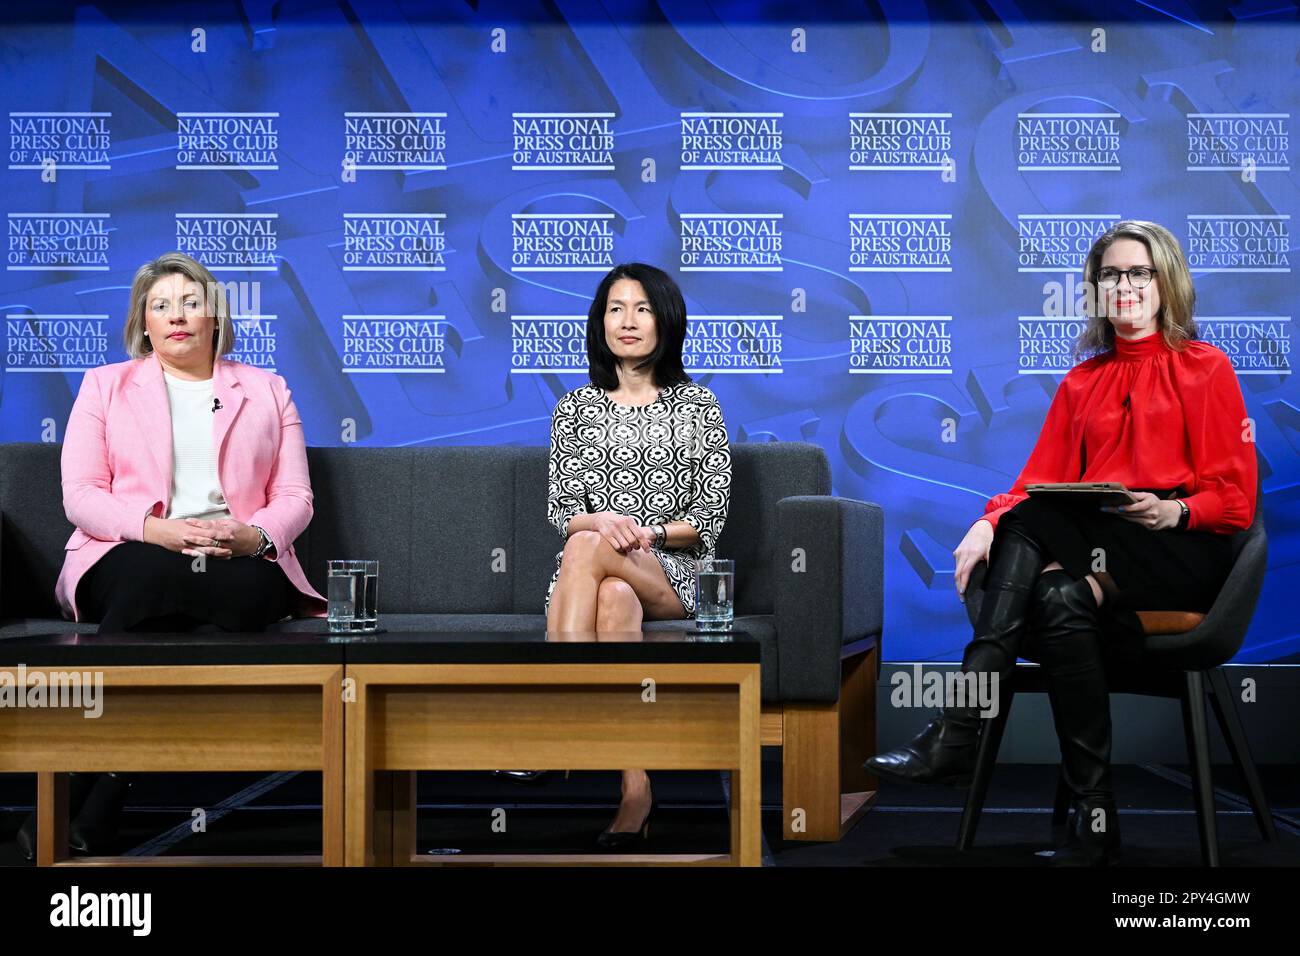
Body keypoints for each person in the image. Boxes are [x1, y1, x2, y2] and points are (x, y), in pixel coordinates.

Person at [866, 221, 1257, 866]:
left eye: (1139, 273)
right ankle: (1094, 822)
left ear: (1166, 283)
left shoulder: (1205, 368)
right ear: (1096, 290)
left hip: (1183, 550)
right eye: (1111, 275)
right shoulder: (1083, 382)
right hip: (1101, 557)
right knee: (1055, 594)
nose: (1124, 286)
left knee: (1039, 526)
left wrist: (1174, 508)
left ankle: (959, 725)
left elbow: (1236, 500)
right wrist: (988, 522)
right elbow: (1033, 484)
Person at [16, 252, 328, 860]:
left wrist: (252, 537)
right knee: (152, 581)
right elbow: (80, 496)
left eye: (190, 302)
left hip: (235, 557)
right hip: (130, 549)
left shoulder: (267, 390)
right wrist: (154, 530)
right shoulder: (106, 385)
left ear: (215, 314)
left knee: (236, 594)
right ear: (144, 322)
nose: (176, 316)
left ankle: (88, 781)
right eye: (160, 305)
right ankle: (108, 785)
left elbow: (295, 497)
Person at [543, 262, 732, 848]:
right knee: (611, 591)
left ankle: (558, 723)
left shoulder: (697, 406)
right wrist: (601, 522)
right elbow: (561, 508)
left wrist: (642, 533)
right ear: (600, 323)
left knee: (591, 547)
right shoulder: (575, 408)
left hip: (675, 572)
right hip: (593, 575)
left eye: (642, 309)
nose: (627, 322)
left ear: (665, 321)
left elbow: (709, 521)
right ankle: (635, 788)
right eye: (615, 309)